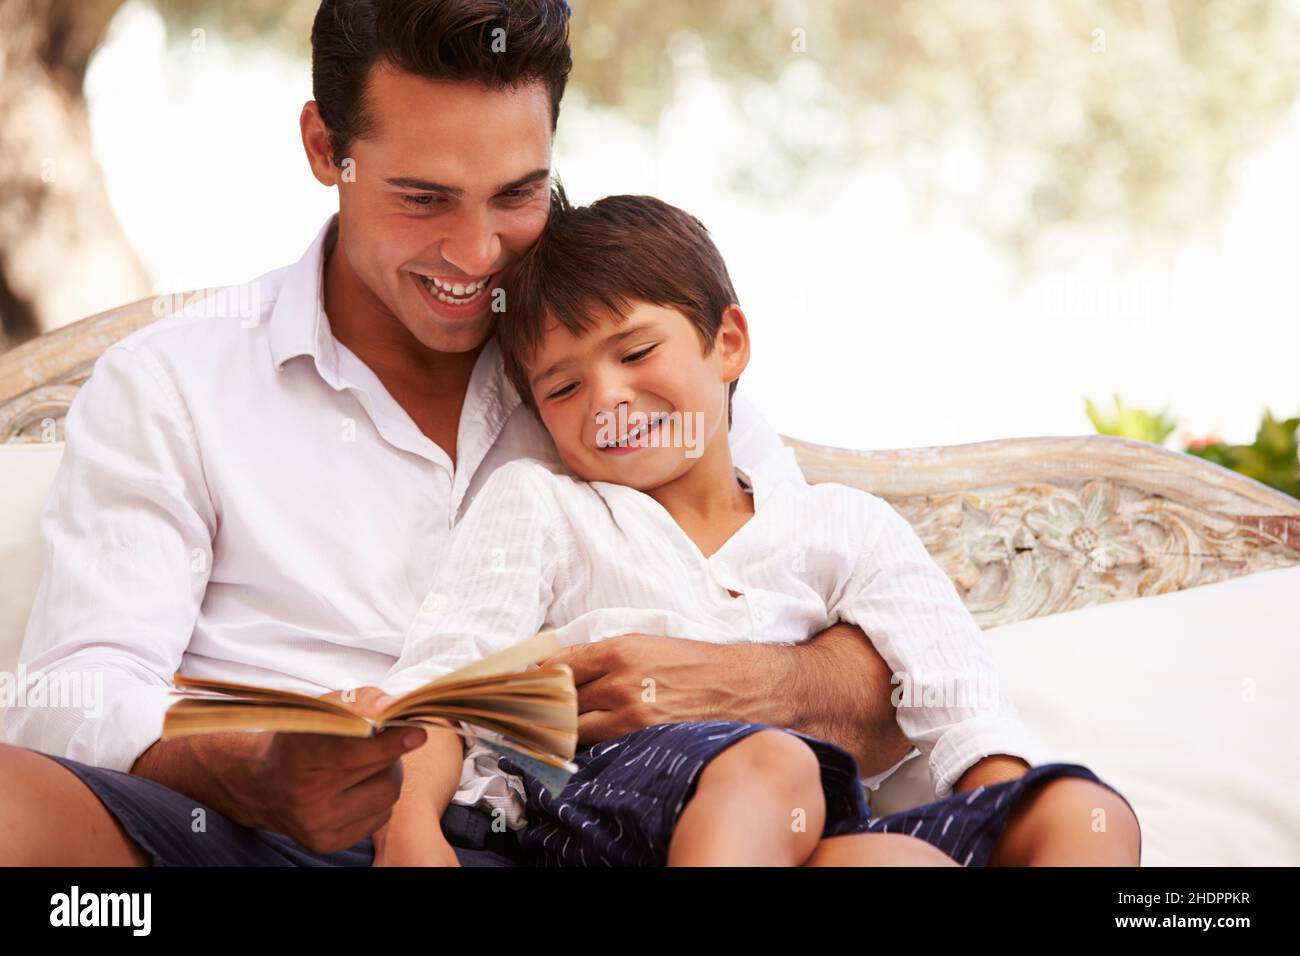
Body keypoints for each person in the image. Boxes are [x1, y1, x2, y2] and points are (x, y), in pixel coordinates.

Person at [0, 0, 919, 867]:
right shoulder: (175, 382)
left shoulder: (639, 382)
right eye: (424, 199)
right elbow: (77, 686)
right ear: (325, 148)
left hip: (576, 831)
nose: (477, 255)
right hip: (262, 834)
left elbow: (884, 671)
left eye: (517, 193)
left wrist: (744, 681)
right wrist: (243, 765)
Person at [375, 194, 1143, 867]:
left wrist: (1003, 817)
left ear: (728, 343)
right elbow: (440, 693)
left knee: (1074, 812)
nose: (606, 398)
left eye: (636, 351)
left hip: (812, 821)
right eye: (564, 386)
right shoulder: (543, 505)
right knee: (773, 763)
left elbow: (963, 704)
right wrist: (408, 829)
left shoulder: (843, 525)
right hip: (605, 804)